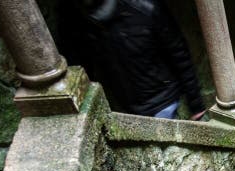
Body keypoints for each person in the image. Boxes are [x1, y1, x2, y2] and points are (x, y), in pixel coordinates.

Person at [68, 0, 206, 120]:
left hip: (162, 102)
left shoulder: (145, 8)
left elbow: (179, 53)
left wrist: (195, 104)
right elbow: (85, 65)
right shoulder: (84, 20)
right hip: (126, 108)